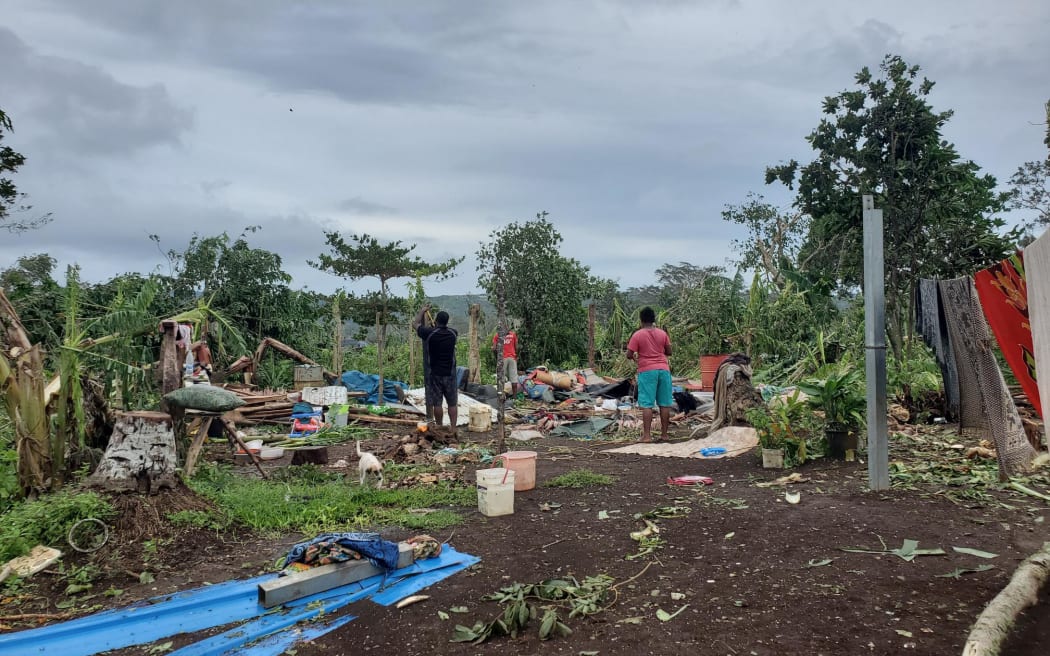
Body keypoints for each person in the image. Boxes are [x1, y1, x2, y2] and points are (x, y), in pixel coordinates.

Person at [626, 306, 673, 443]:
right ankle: (664, 435)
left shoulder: (637, 335)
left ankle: (647, 436)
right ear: (654, 319)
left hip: (647, 371)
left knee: (647, 404)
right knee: (664, 404)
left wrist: (636, 358)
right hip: (663, 370)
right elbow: (669, 351)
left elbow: (629, 354)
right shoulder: (662, 334)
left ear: (641, 320)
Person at [413, 304, 459, 432]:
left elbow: (415, 324)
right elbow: (444, 331)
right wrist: (437, 328)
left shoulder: (429, 333)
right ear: (447, 321)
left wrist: (422, 311)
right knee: (452, 403)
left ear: (437, 321)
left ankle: (439, 426)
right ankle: (454, 428)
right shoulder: (453, 333)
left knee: (437, 403)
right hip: (450, 373)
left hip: (435, 374)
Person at [492, 326, 519, 395]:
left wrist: (497, 357)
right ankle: (515, 398)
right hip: (512, 358)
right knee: (514, 378)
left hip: (502, 358)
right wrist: (515, 356)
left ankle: (501, 396)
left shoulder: (497, 335)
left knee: (501, 378)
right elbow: (516, 347)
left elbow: (494, 348)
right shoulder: (513, 335)